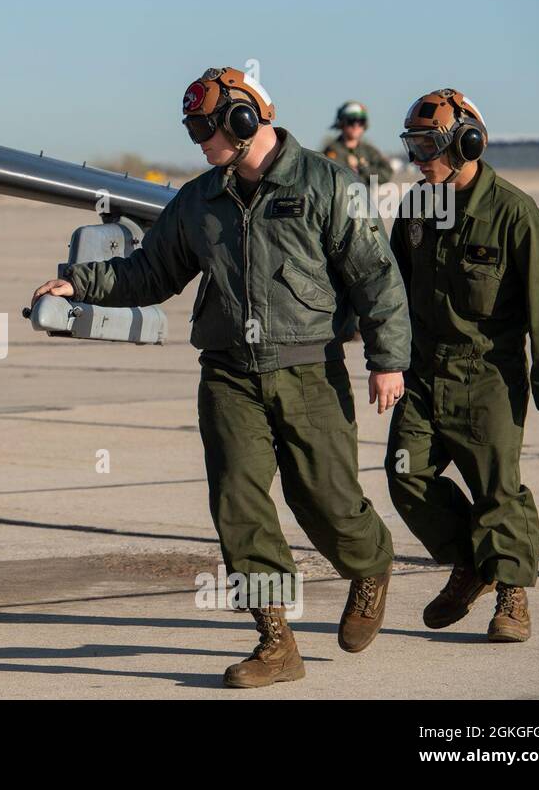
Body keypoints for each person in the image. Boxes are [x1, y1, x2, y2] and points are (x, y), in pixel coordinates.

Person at [31, 67, 412, 688]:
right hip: (229, 374)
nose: (198, 141)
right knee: (238, 502)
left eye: (205, 128)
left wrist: (387, 359)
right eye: (191, 129)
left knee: (327, 505)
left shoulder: (327, 183)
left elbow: (376, 276)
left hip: (309, 369)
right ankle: (275, 640)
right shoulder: (200, 199)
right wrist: (82, 283)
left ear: (243, 119)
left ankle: (371, 565)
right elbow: (151, 271)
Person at [386, 89, 539, 642]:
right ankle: (473, 564)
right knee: (405, 474)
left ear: (467, 144)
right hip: (424, 372)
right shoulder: (417, 207)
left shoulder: (514, 212)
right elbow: (390, 288)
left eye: (428, 147)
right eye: (413, 147)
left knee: (497, 488)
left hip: (487, 374)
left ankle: (512, 595)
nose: (419, 160)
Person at [324, 101, 393, 187]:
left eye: (361, 121)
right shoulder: (332, 151)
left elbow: (386, 174)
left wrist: (363, 168)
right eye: (351, 121)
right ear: (342, 123)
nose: (356, 126)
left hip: (365, 198)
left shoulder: (369, 151)